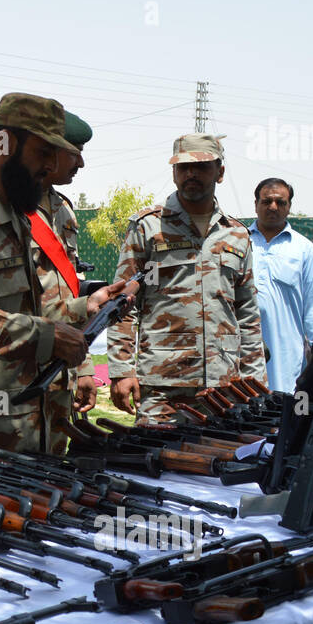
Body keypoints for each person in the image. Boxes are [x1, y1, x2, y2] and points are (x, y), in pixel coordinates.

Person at [0, 93, 133, 459]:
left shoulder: (17, 219)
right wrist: (48, 337)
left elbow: (26, 309)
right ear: (7, 144)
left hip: (30, 431)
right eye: (43, 153)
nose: (51, 167)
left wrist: (83, 307)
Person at [108, 133, 266, 424]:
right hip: (162, 386)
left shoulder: (237, 234)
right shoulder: (149, 228)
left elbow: (247, 314)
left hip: (224, 387)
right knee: (155, 463)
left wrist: (254, 379)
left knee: (221, 463)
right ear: (173, 172)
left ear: (220, 172)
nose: (191, 173)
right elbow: (122, 303)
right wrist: (121, 370)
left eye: (202, 166)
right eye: (183, 167)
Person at [33, 110, 101, 454]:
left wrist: (84, 367)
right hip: (16, 378)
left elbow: (69, 288)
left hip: (61, 374)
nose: (81, 164)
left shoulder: (63, 210)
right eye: (75, 153)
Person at [248, 178, 313, 392]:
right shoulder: (238, 243)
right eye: (266, 201)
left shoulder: (304, 249)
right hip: (242, 353)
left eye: (280, 202)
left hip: (285, 357)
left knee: (281, 414)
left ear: (289, 207)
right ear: (256, 205)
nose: (273, 207)